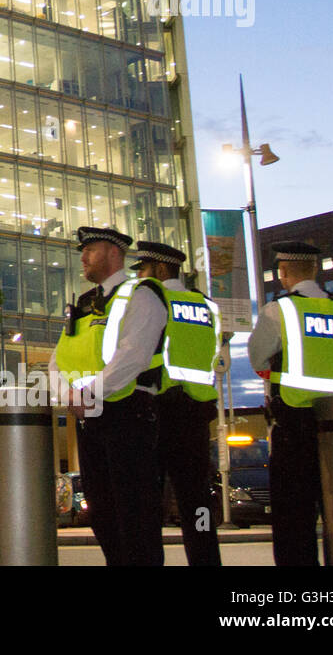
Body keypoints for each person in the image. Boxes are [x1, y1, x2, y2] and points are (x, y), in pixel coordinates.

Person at [50, 226, 164, 566]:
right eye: (82, 251)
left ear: (115, 253)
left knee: (136, 516)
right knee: (101, 513)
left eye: (91, 250)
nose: (83, 257)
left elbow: (134, 356)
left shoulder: (142, 294)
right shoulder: (84, 304)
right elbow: (58, 360)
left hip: (129, 414)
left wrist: (86, 395)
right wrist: (68, 396)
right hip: (89, 418)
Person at [248, 241, 333, 566]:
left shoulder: (279, 310)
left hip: (293, 425)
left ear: (283, 273)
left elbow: (257, 358)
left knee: (294, 518)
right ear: (316, 269)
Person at [131, 241, 223, 566]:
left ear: (160, 269)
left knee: (148, 499)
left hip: (158, 410)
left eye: (142, 269)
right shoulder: (208, 306)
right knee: (196, 499)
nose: (139, 277)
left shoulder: (154, 299)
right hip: (197, 413)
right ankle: (206, 559)